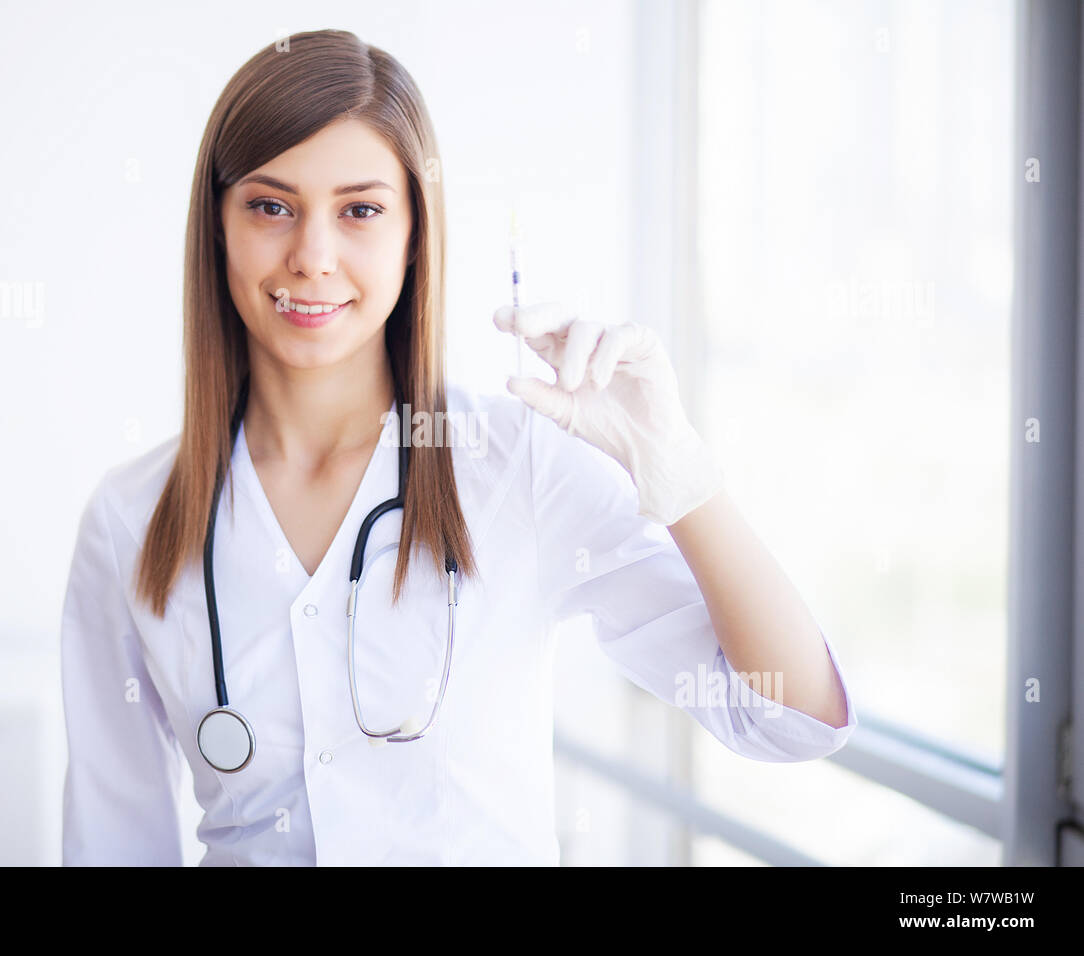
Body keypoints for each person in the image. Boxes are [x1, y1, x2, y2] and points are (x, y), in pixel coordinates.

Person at [59, 28, 857, 867]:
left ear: (414, 234)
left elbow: (791, 718)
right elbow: (114, 841)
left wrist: (682, 474)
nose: (312, 256)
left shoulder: (521, 467)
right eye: (270, 206)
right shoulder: (129, 519)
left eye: (360, 210)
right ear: (217, 226)